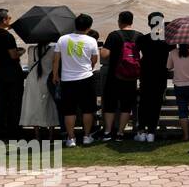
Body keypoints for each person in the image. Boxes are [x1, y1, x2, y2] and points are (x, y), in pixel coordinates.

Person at [52, 13, 99, 146]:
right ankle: (86, 136)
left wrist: (55, 75)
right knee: (87, 109)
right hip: (86, 78)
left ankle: (71, 138)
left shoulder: (63, 39)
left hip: (67, 79)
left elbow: (56, 59)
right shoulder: (91, 41)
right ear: (89, 27)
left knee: (69, 111)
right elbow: (94, 60)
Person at [99, 11, 142, 142]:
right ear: (132, 21)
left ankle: (107, 132)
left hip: (114, 76)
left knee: (110, 105)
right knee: (126, 106)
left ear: (119, 21)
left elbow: (104, 55)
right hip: (131, 77)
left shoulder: (114, 35)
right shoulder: (139, 36)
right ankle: (120, 133)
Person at [0, 9, 25, 140]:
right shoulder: (7, 36)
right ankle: (14, 131)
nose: (10, 19)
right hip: (12, 72)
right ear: (3, 20)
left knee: (1, 102)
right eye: (9, 18)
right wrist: (21, 52)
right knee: (15, 102)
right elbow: (13, 55)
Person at [136, 11, 173, 143]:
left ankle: (141, 130)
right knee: (156, 104)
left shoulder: (142, 39)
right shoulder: (168, 41)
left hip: (145, 74)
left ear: (148, 23)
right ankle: (151, 131)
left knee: (144, 103)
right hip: (160, 75)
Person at [19, 39, 57, 138]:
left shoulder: (31, 49)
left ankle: (37, 135)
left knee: (34, 106)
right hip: (47, 80)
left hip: (32, 80)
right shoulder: (53, 49)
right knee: (50, 106)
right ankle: (51, 136)